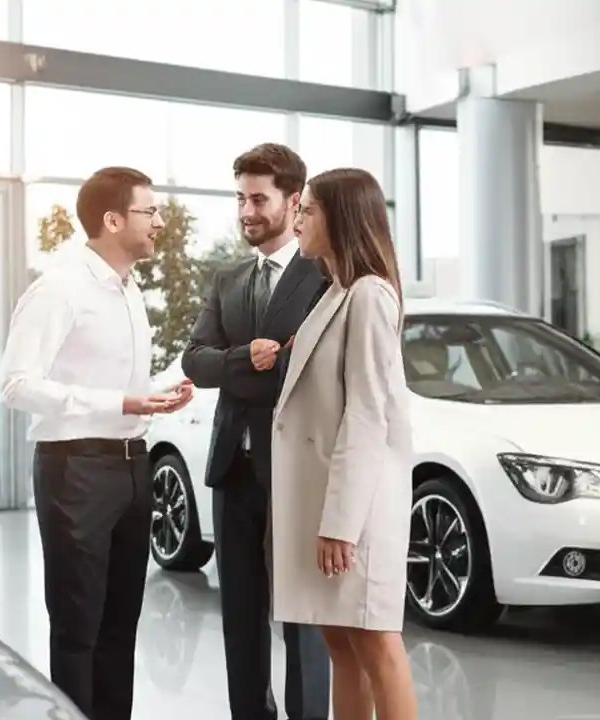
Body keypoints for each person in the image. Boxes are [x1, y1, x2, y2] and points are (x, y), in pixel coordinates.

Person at [0, 166, 194, 720]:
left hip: (132, 468)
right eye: (148, 211)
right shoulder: (59, 289)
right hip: (75, 473)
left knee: (119, 628)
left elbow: (115, 387)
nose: (159, 221)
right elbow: (17, 386)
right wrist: (122, 403)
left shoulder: (129, 290)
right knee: (79, 628)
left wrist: (155, 394)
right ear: (112, 220)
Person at [182, 143, 331, 720]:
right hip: (233, 469)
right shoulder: (228, 279)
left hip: (296, 467)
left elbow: (311, 373)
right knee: (239, 614)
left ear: (294, 201)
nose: (246, 210)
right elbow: (196, 360)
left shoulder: (324, 276)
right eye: (240, 198)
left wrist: (237, 368)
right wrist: (247, 358)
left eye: (259, 199)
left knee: (302, 619)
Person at [270, 167, 416, 720]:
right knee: (341, 644)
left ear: (342, 218)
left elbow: (368, 413)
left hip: (359, 506)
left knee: (376, 643)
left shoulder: (370, 295)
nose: (297, 219)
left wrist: (340, 523)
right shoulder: (337, 292)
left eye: (307, 210)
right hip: (328, 499)